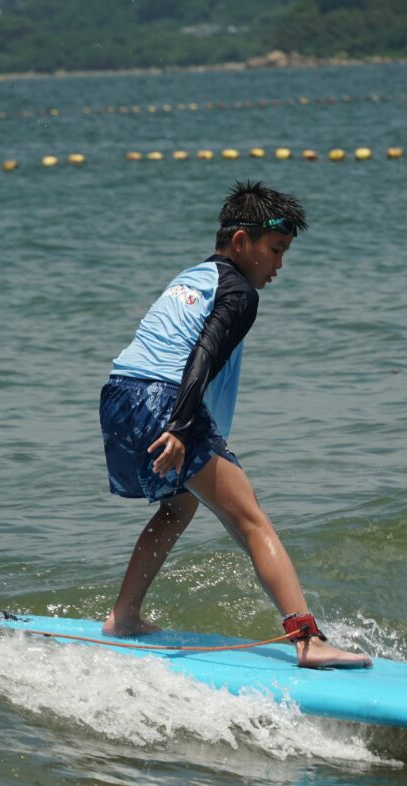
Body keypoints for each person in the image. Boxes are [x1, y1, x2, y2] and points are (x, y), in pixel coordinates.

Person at [98, 181, 371, 669]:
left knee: (178, 507)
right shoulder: (240, 292)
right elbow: (204, 354)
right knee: (251, 520)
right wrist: (180, 426)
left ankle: (124, 617)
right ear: (242, 242)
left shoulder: (193, 276)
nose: (279, 265)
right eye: (276, 250)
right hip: (164, 401)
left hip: (119, 394)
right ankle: (307, 639)